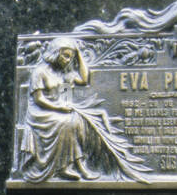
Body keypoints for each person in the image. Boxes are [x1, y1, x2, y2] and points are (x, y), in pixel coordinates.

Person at [18, 37, 149, 183]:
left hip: (58, 110)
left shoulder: (64, 73)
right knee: (67, 123)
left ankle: (75, 164)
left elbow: (84, 79)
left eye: (71, 57)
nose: (68, 60)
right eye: (65, 56)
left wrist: (79, 54)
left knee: (79, 120)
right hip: (40, 112)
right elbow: (38, 99)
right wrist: (59, 107)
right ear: (55, 53)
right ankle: (70, 167)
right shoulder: (40, 71)